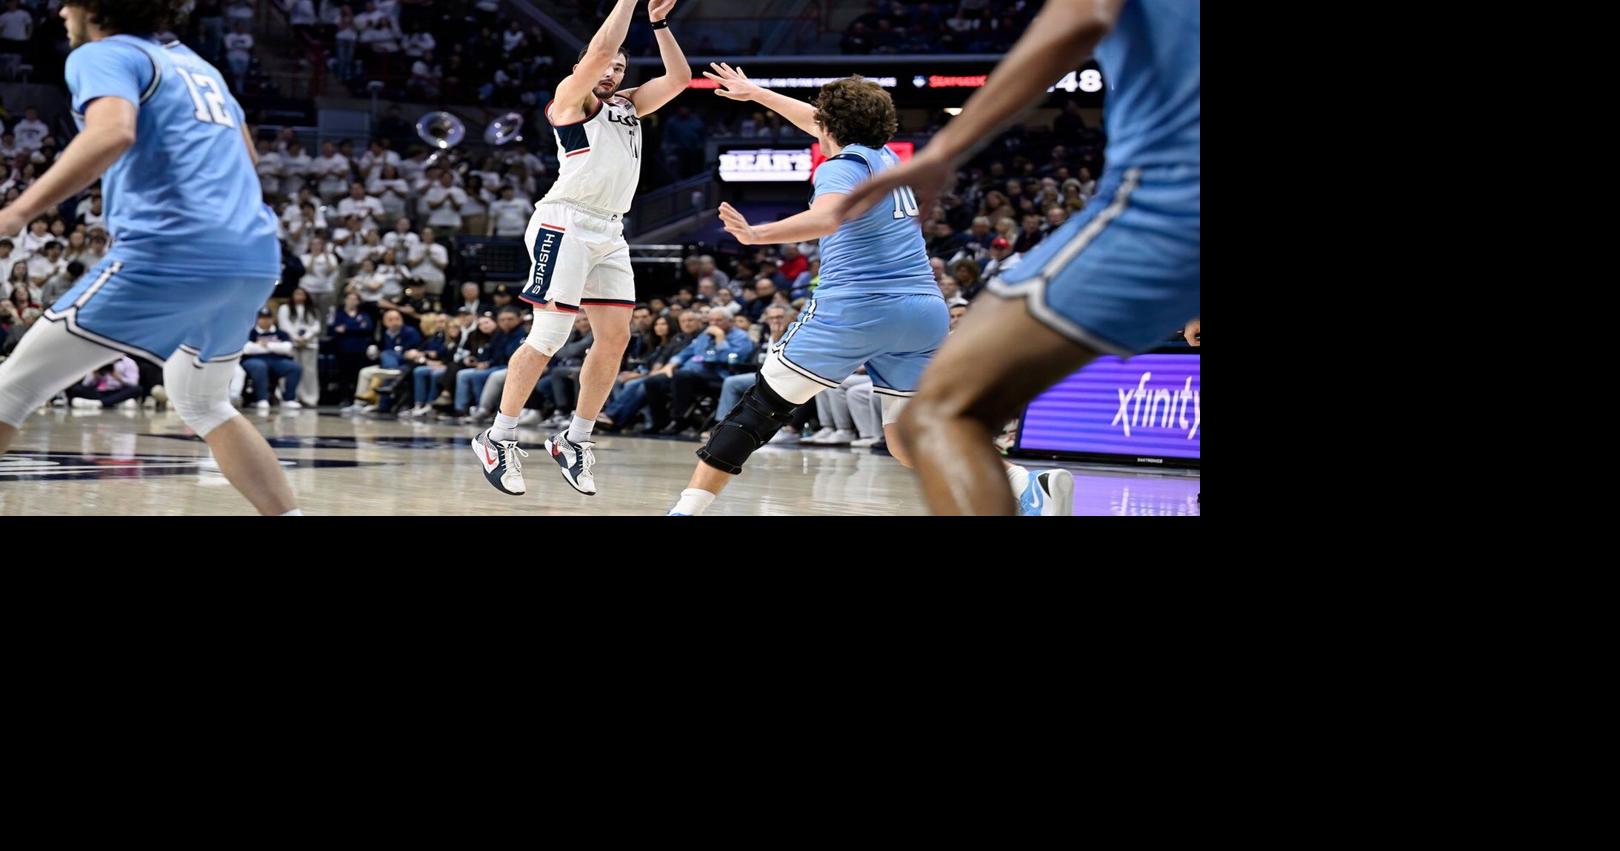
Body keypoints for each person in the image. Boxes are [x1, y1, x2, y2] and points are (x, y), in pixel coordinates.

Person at [837, 0, 1199, 515]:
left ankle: (1030, 494)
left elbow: (1081, 17)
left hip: (1171, 203)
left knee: (940, 410)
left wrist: (944, 151)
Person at [0, 1, 302, 516]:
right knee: (204, 402)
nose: (61, 12)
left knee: (14, 387)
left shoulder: (105, 53)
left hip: (172, 251)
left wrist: (15, 214)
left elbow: (112, 131)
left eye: (69, 0)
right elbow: (247, 156)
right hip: (252, 256)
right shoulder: (198, 65)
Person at [660, 69, 946, 516]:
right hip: (924, 313)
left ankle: (684, 512)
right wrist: (756, 93)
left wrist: (756, 235)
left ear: (830, 128)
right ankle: (1021, 484)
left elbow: (830, 217)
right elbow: (818, 120)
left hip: (857, 309)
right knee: (907, 440)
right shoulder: (888, 158)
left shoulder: (841, 168)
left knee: (758, 410)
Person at [471, 0, 692, 498]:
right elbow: (600, 49)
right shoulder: (570, 99)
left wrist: (658, 24)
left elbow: (679, 78)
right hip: (564, 221)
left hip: (610, 231)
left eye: (620, 67)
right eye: (607, 64)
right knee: (549, 333)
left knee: (614, 339)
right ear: (582, 68)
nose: (613, 70)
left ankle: (575, 438)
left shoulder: (629, 106)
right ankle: (498, 436)